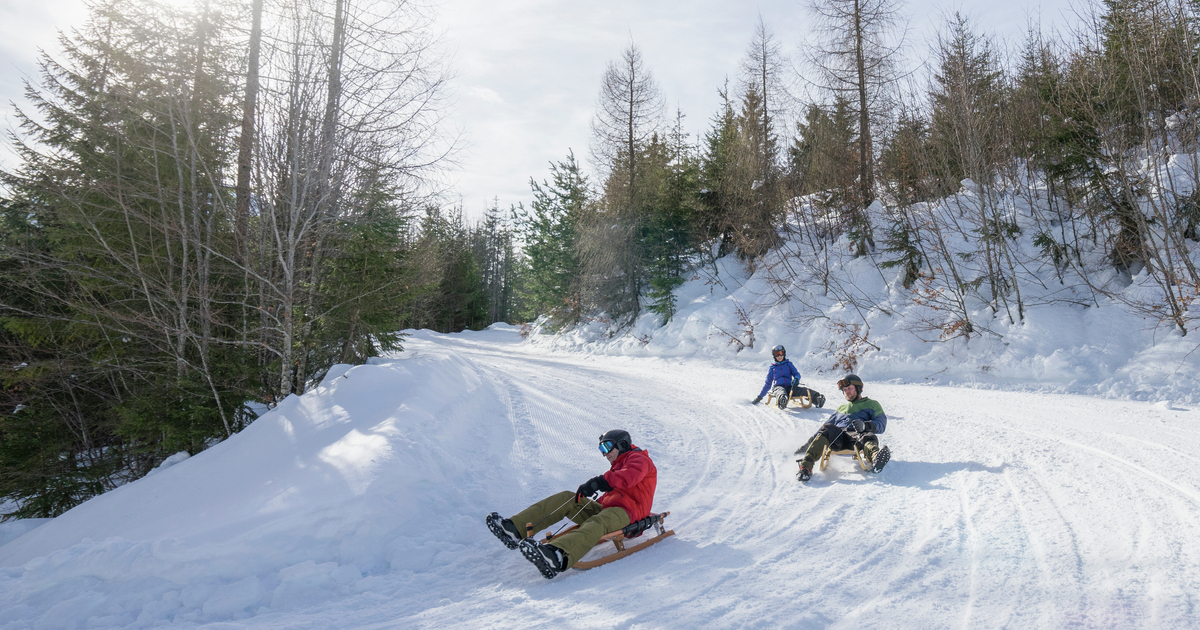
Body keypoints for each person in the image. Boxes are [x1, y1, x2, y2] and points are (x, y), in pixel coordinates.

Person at [485, 429, 658, 579]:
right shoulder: (619, 465)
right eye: (601, 449)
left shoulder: (639, 460)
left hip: (629, 513)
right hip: (611, 510)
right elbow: (614, 491)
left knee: (598, 522)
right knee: (569, 498)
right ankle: (515, 530)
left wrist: (598, 482)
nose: (604, 454)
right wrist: (591, 497)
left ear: (621, 445)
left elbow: (627, 478)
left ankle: (557, 556)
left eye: (606, 447)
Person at [795, 374, 891, 482]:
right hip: (837, 439)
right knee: (827, 428)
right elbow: (823, 429)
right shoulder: (841, 408)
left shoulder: (872, 404)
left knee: (867, 435)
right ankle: (805, 467)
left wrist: (866, 426)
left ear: (859, 388)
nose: (847, 392)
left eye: (849, 388)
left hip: (858, 437)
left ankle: (876, 457)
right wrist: (808, 444)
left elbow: (881, 423)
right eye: (844, 390)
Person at [752, 345, 825, 409]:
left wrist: (796, 379)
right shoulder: (772, 368)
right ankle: (782, 400)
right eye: (777, 354)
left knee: (803, 390)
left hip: (790, 387)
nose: (779, 356)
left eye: (781, 353)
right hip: (778, 387)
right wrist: (760, 397)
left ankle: (817, 399)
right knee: (781, 391)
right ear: (774, 355)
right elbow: (768, 384)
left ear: (784, 354)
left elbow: (797, 374)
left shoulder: (788, 364)